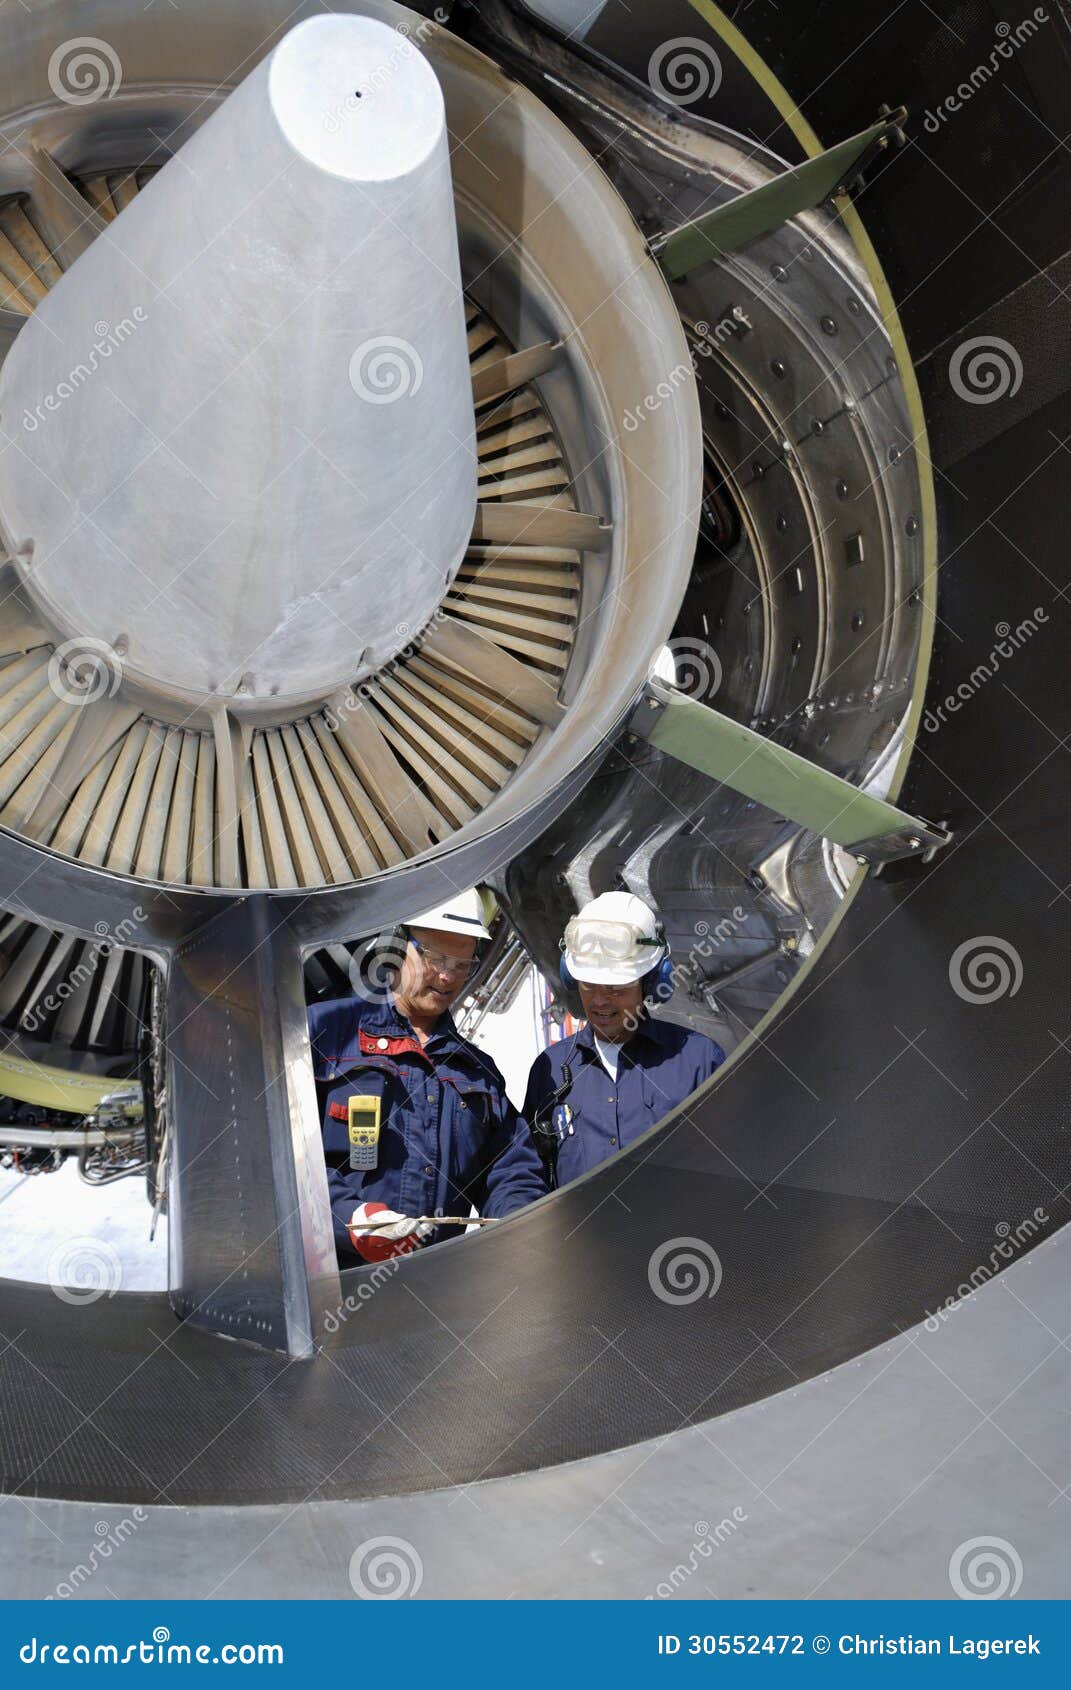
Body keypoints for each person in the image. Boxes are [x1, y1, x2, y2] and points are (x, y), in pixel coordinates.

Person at [308, 889, 547, 1266]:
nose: (447, 976)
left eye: (462, 964)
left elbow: (511, 1170)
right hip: (333, 1281)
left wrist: (514, 1227)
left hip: (434, 1287)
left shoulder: (478, 1073)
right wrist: (351, 1219)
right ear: (396, 947)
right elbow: (281, 1159)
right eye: (435, 958)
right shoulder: (325, 1033)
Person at [523, 891, 725, 1187]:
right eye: (588, 985)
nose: (600, 1001)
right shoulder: (549, 1069)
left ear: (650, 981)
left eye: (616, 988)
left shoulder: (700, 1062)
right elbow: (526, 1174)